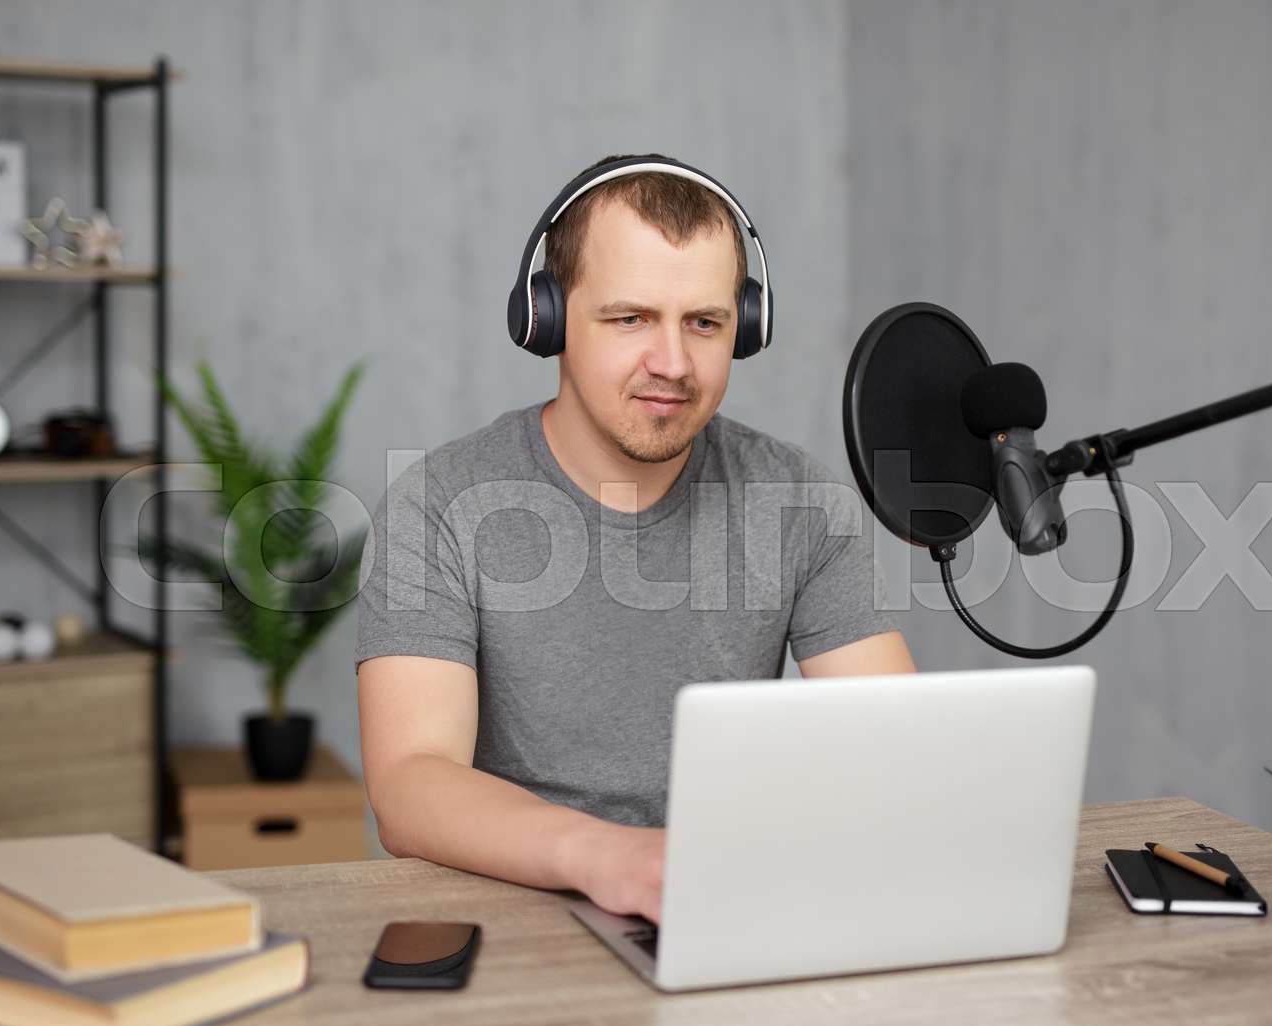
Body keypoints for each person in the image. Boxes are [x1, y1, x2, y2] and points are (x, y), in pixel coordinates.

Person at [355, 154, 915, 923]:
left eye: (705, 323)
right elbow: (410, 783)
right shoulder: (439, 504)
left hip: (722, 905)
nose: (674, 364)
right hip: (517, 913)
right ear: (546, 318)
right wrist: (606, 857)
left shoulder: (802, 503)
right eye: (630, 318)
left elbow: (898, 752)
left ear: (744, 328)